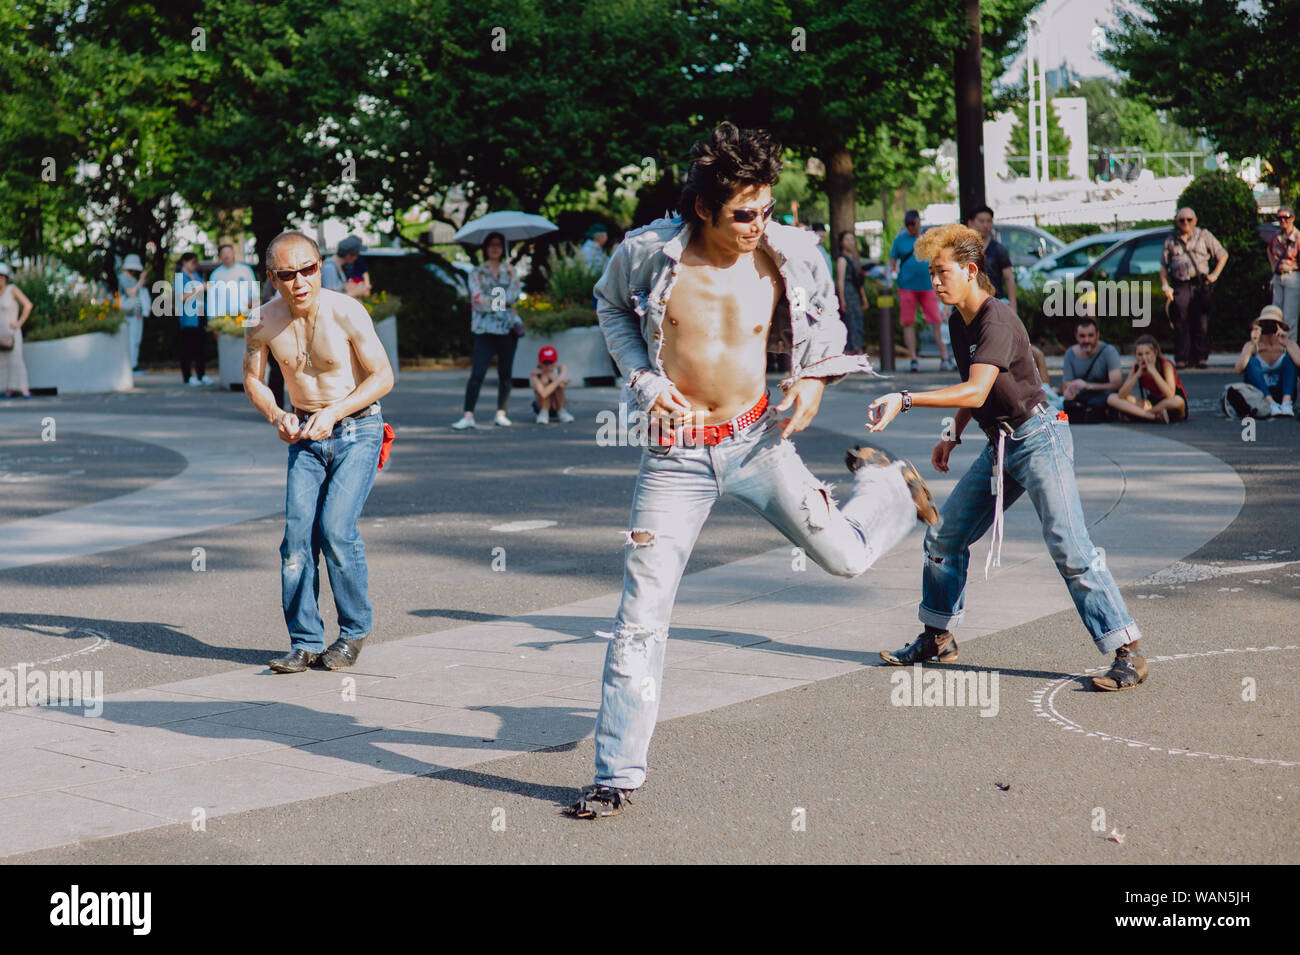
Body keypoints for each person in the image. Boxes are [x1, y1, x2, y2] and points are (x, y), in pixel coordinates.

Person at [568, 122, 935, 819]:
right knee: (640, 617)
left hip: (759, 439)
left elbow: (826, 318)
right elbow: (609, 307)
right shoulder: (646, 252)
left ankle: (886, 486)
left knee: (848, 559)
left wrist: (817, 380)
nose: (757, 223)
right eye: (743, 212)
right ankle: (616, 773)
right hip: (676, 457)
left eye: (765, 208)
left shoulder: (790, 251)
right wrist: (645, 382)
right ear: (703, 206)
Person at [864, 223, 1146, 693]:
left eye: (941, 272)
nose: (934, 282)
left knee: (1068, 545)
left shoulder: (995, 318)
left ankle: (1128, 651)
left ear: (970, 271)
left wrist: (905, 398)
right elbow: (976, 391)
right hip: (1000, 444)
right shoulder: (959, 321)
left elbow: (976, 387)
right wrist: (951, 432)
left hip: (1039, 438)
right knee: (943, 537)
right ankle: (938, 635)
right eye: (931, 273)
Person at [241, 231, 394, 673]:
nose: (300, 282)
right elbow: (253, 379)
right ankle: (305, 642)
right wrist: (277, 415)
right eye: (287, 275)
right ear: (272, 278)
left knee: (335, 530)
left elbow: (382, 376)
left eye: (308, 270)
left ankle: (353, 632)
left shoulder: (347, 311)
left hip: (358, 426)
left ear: (320, 266)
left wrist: (337, 411)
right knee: (295, 542)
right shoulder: (261, 320)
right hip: (306, 433)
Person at [452, 232, 523, 430]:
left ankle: (502, 412)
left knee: (505, 373)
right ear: (485, 248)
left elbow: (515, 295)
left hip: (507, 328)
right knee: (478, 373)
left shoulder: (510, 271)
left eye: (499, 244)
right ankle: (468, 414)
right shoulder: (476, 272)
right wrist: (501, 301)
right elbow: (477, 299)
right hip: (484, 328)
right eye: (491, 244)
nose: (495, 248)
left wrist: (507, 281)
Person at [1160, 207, 1227, 369]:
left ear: (1195, 221)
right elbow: (1163, 266)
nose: (1185, 223)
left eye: (1189, 219)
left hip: (1200, 283)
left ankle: (1201, 357)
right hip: (1180, 283)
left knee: (1201, 321)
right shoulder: (1171, 240)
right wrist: (1165, 286)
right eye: (1182, 220)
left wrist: (1214, 275)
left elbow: (1223, 254)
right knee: (1180, 321)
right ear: (1177, 222)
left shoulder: (1204, 235)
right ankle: (1182, 358)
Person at [890, 210, 953, 371]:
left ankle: (944, 356)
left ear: (919, 222)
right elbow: (892, 262)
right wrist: (893, 275)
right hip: (906, 287)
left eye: (914, 224)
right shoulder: (900, 240)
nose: (912, 228)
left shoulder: (928, 238)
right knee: (908, 322)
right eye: (909, 225)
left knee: (936, 320)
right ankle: (913, 358)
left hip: (928, 286)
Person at [1229, 305, 1297, 418]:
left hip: (1282, 393)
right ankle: (1270, 403)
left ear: (1279, 326)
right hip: (1260, 395)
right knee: (1252, 362)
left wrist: (1287, 344)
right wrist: (1252, 343)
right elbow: (1238, 368)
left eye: (1273, 324)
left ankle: (1286, 404)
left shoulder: (1288, 345)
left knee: (1289, 360)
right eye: (1266, 324)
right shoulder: (1252, 345)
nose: (1269, 328)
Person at [1107, 334, 1187, 423]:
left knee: (1177, 401)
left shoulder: (1166, 365)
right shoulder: (1137, 368)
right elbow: (1121, 395)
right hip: (1152, 403)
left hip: (1169, 404)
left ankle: (1141, 415)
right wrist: (1137, 375)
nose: (1144, 358)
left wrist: (1154, 372)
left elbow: (1170, 395)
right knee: (1112, 398)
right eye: (1140, 355)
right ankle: (1151, 416)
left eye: (1147, 353)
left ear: (1155, 353)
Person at [1060, 316, 1123, 422]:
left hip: (1105, 396)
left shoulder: (1109, 352)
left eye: (1090, 336)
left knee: (1110, 398)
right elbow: (1066, 383)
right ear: (1076, 336)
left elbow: (1116, 383)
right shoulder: (1070, 353)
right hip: (1081, 397)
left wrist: (1088, 386)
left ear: (1097, 335)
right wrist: (1068, 390)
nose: (1086, 340)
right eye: (1082, 336)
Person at [966, 205, 1015, 313]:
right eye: (981, 221)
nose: (985, 225)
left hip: (994, 305)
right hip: (968, 306)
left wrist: (1013, 306)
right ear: (970, 223)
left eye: (989, 221)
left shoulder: (999, 249)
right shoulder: (963, 250)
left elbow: (1009, 278)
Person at [0, 264, 34, 398]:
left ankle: (24, 388)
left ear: (6, 278)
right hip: (0, 334)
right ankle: (9, 388)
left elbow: (28, 305)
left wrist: (19, 322)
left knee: (16, 359)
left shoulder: (12, 290)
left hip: (12, 332)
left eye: (1, 277)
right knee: (3, 361)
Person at [205, 243, 258, 327]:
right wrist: (212, 321)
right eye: (223, 253)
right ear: (220, 256)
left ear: (233, 253)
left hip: (244, 317)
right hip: (223, 319)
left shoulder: (245, 270)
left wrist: (255, 316)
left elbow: (255, 292)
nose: (226, 255)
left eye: (229, 252)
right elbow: (212, 300)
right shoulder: (215, 275)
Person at [175, 253, 208, 385]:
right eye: (192, 262)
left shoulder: (197, 276)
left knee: (201, 347)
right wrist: (200, 288)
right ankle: (187, 377)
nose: (194, 265)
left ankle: (201, 375)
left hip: (200, 314)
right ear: (184, 262)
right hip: (188, 317)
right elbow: (181, 297)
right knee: (187, 348)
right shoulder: (180, 278)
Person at [835, 230, 868, 354]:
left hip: (855, 293)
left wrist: (863, 297)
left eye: (852, 239)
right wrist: (842, 299)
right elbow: (841, 281)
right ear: (841, 243)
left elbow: (858, 280)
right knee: (849, 322)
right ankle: (850, 351)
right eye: (847, 239)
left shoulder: (853, 259)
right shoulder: (842, 260)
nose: (850, 242)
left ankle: (857, 349)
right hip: (847, 293)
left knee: (857, 322)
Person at [117, 253, 149, 372]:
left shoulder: (132, 278)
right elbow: (131, 292)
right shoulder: (123, 277)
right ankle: (131, 365)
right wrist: (141, 281)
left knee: (136, 339)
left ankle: (134, 364)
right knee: (131, 339)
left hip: (137, 312)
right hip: (129, 313)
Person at [1268, 206, 1299, 328]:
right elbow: (1269, 250)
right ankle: (1278, 346)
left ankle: (1290, 346)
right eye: (1279, 218)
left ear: (1292, 218)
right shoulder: (1276, 237)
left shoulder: (1297, 237)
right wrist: (1273, 266)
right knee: (1275, 314)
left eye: (1285, 217)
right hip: (1278, 277)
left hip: (1292, 277)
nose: (1282, 221)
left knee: (1289, 317)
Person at [530, 345, 575, 423]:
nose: (548, 366)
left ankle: (561, 411)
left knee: (557, 385)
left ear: (555, 362)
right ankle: (544, 412)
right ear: (540, 362)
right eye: (545, 363)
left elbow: (562, 385)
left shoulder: (560, 368)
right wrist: (557, 379)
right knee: (545, 381)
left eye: (550, 363)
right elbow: (543, 393)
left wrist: (550, 375)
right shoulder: (535, 373)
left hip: (557, 405)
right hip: (541, 406)